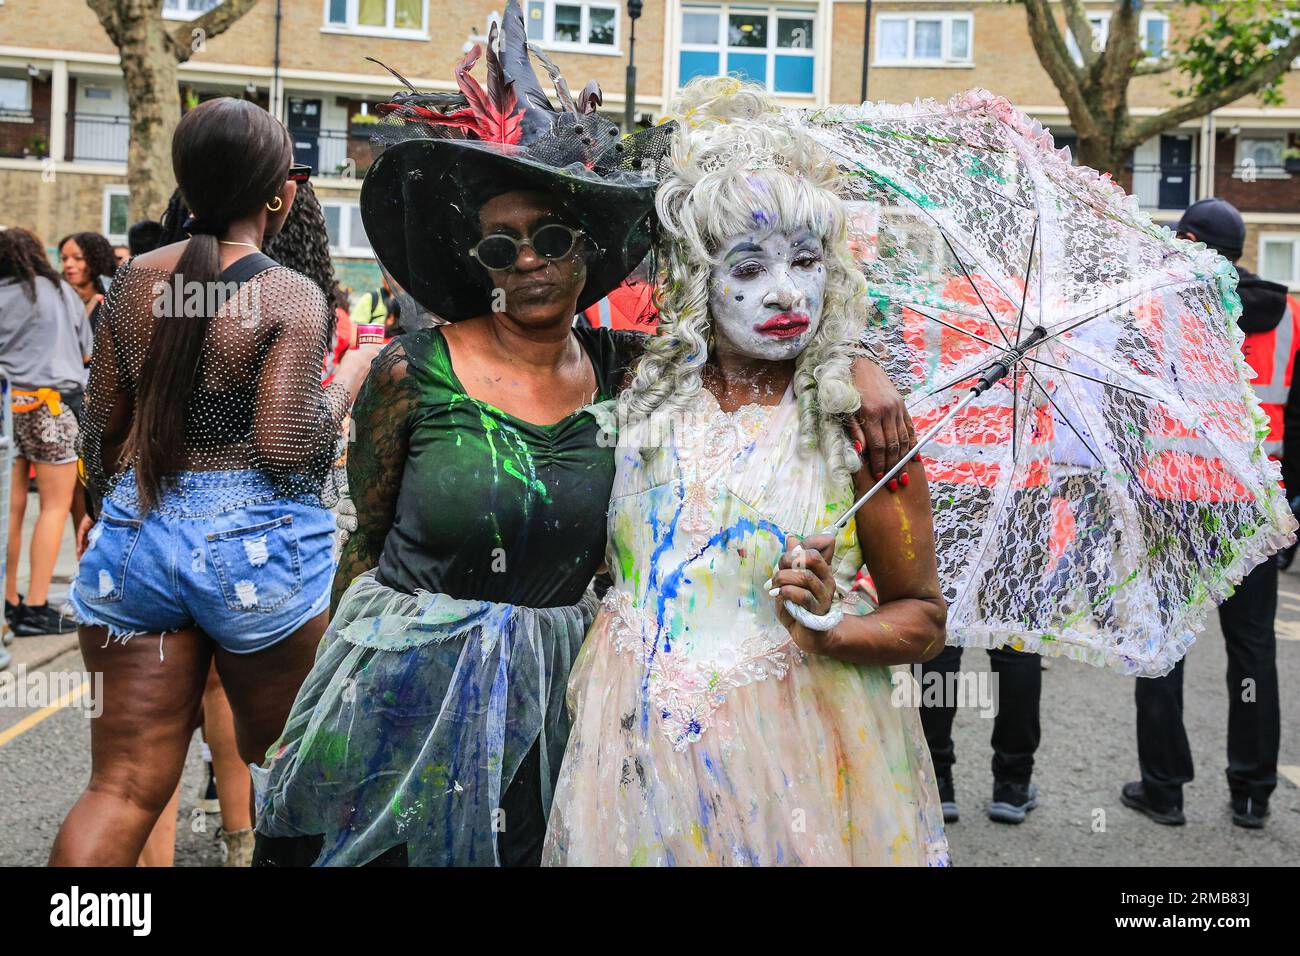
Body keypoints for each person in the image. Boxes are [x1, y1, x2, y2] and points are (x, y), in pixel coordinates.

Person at [251, 4, 914, 867]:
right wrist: (324, 703)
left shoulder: (635, 372)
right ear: (476, 263)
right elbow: (364, 549)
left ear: (584, 252)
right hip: (400, 697)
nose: (528, 260)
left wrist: (858, 363)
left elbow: (764, 342)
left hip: (550, 708)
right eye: (501, 245)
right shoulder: (410, 373)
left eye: (551, 237)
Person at [541, 79, 950, 866]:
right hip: (637, 738)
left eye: (806, 261)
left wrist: (834, 627)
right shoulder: (636, 390)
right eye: (750, 266)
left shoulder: (864, 425)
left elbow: (923, 619)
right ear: (697, 278)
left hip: (805, 749)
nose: (787, 292)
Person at [48, 97, 378, 866]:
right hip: (253, 559)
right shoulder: (291, 294)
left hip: (135, 541)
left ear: (184, 187)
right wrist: (351, 376)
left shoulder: (134, 283)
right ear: (281, 196)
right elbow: (288, 447)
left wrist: (117, 514)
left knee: (122, 789)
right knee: (289, 779)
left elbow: (101, 432)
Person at [1123, 197, 1287, 829]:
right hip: (1255, 511)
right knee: (1252, 655)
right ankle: (1252, 793)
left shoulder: (1156, 313)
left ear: (1189, 241)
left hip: (1173, 506)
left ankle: (1164, 790)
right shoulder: (1290, 321)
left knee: (1163, 645)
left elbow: (1128, 417)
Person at [1, 227, 93, 637]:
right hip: (51, 407)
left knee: (12, 511)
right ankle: (38, 604)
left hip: (8, 409)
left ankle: (10, 599)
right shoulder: (58, 292)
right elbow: (86, 350)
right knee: (55, 508)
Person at [58, 231, 116, 328]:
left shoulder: (113, 302)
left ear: (97, 260)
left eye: (78, 258)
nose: (68, 264)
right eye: (64, 258)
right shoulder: (60, 298)